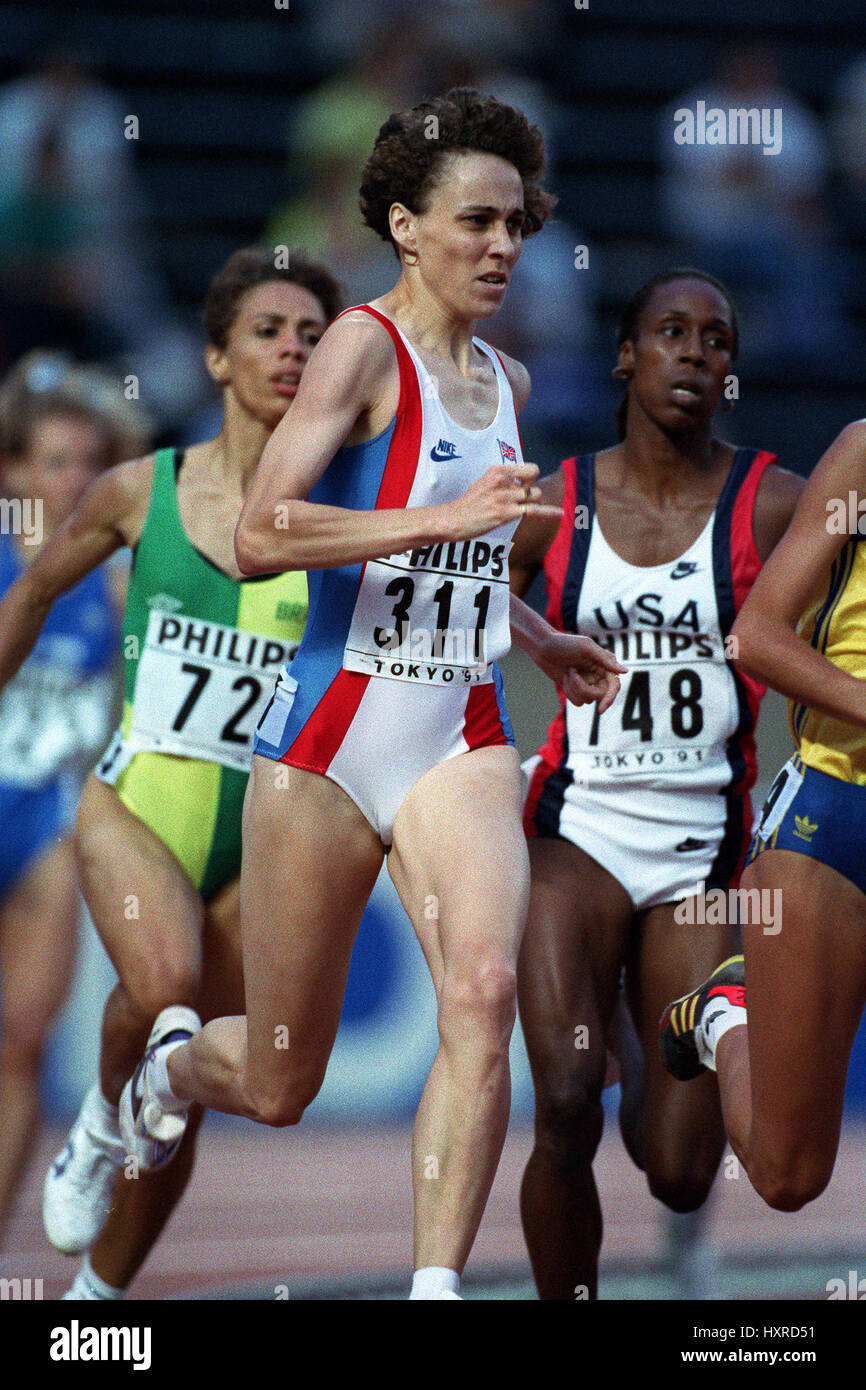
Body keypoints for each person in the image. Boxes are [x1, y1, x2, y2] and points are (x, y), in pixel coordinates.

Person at [117, 88, 624, 1302]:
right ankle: (173, 1068)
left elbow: (441, 566)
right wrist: (444, 514)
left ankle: (434, 1288)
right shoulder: (357, 346)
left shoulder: (506, 374)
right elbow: (259, 530)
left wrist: (536, 631)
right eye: (476, 222)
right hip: (329, 733)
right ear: (403, 224)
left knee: (484, 990)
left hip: (462, 725)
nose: (504, 247)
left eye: (517, 224)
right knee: (282, 1083)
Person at [0, 247, 341, 1299]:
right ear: (216, 356)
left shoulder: (342, 516)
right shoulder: (134, 492)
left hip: (265, 835)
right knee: (163, 992)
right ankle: (98, 1126)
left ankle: (98, 1303)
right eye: (268, 331)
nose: (292, 348)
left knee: (185, 1085)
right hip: (135, 800)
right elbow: (34, 590)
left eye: (313, 338)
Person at [508, 269, 803, 1299]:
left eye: (714, 339)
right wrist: (533, 636)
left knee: (677, 1172)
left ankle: (648, 1032)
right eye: (668, 332)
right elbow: (450, 595)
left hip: (702, 852)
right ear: (624, 354)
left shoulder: (773, 502)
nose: (692, 353)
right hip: (574, 832)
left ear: (728, 369)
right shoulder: (555, 498)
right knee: (560, 1104)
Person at [659, 415, 866, 1214]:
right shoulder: (861, 453)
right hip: (836, 817)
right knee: (787, 1175)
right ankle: (723, 1013)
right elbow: (758, 637)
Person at [0, 350, 148, 1242]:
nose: (73, 482)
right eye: (53, 463)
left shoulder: (117, 576)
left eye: (89, 464)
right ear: (11, 470)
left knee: (23, 1040)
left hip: (45, 821)